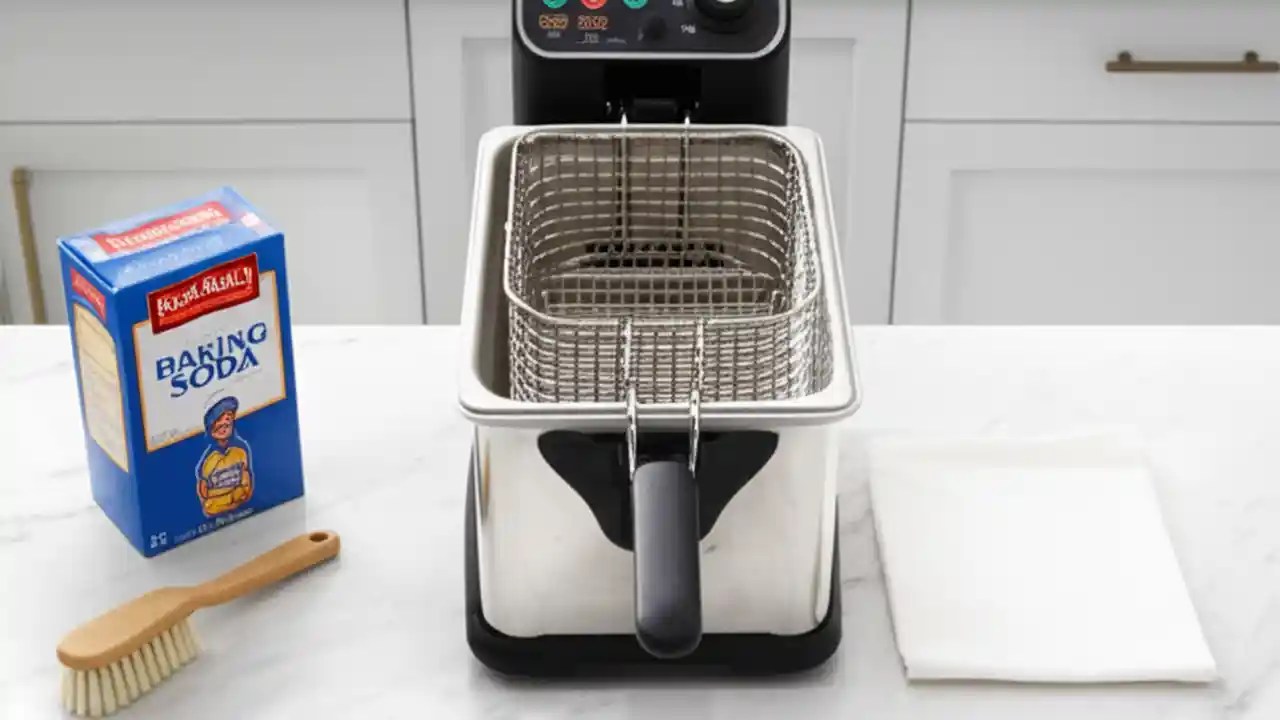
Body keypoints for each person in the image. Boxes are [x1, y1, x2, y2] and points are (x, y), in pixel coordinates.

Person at [195, 396, 254, 516]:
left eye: (227, 419)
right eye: (217, 421)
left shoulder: (241, 449)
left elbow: (246, 476)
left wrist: (239, 493)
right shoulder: (208, 459)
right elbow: (204, 490)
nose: (223, 425)